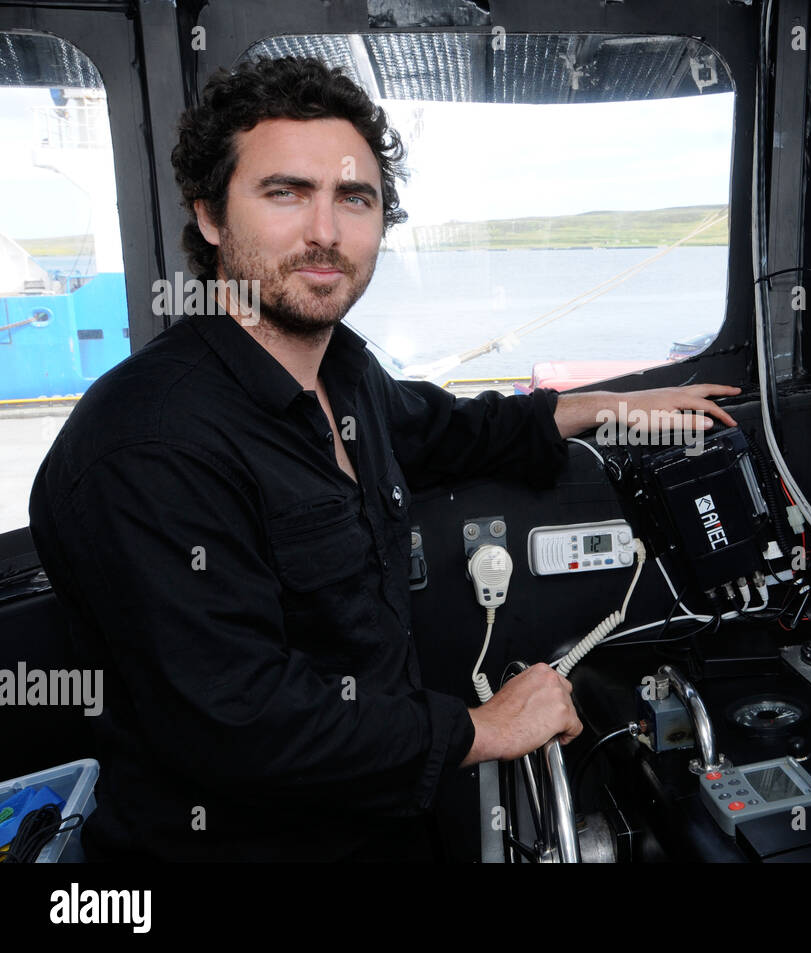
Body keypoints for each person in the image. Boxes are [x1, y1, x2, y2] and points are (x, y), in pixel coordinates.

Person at [26, 56, 740, 862]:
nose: (325, 231)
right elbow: (240, 722)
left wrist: (607, 409)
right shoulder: (148, 445)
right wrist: (483, 727)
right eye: (286, 192)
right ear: (212, 217)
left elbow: (449, 429)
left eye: (353, 199)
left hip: (383, 819)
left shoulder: (342, 373)